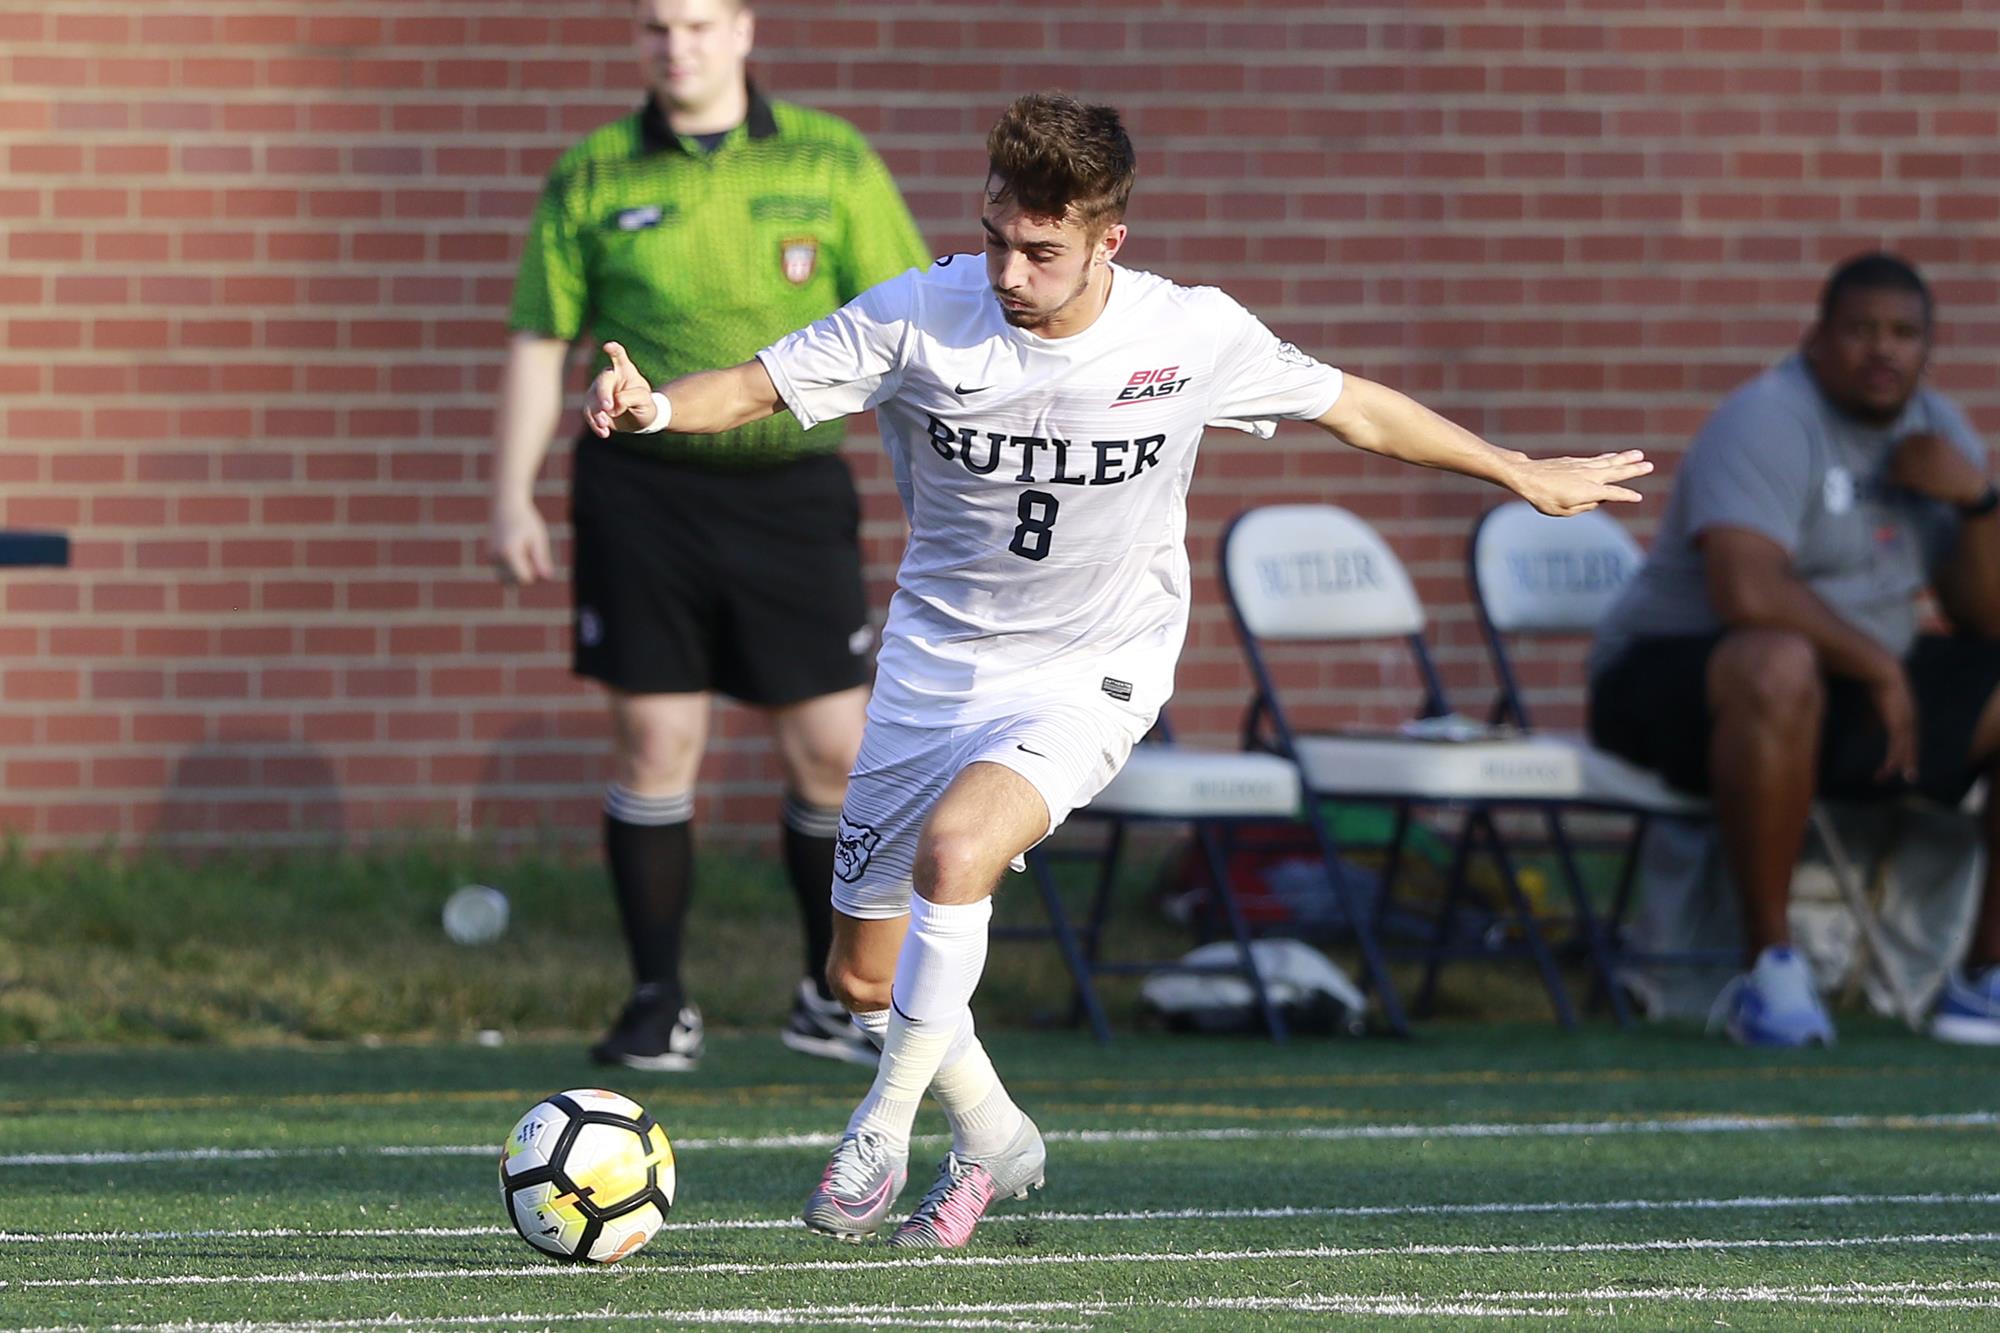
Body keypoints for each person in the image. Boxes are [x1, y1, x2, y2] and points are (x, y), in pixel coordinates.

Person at [582, 92, 1650, 1247]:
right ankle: (994, 1137)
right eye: (995, 238)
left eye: (1040, 251)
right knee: (860, 979)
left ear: (1109, 241)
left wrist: (1516, 470)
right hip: (935, 663)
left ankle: (877, 1130)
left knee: (957, 853)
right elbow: (753, 385)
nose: (1008, 271)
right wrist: (652, 409)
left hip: (1093, 666)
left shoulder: (1187, 333)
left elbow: (1354, 409)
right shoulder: (919, 314)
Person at [486, 0, 929, 1071]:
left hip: (792, 495)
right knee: (655, 744)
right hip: (642, 498)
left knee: (835, 751)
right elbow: (542, 343)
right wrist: (510, 494)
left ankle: (831, 994)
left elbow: (910, 321)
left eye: (696, 24)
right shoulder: (592, 174)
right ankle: (657, 1001)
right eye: (655, 27)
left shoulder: (831, 161)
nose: (674, 45)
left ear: (742, 30)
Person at [1590, 252, 2000, 1049]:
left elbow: (1983, 616)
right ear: (1816, 339)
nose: (1882, 349)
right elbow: (1746, 591)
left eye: (1903, 333)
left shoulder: (1939, 432)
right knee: (1777, 659)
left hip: (1844, 685)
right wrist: (1880, 665)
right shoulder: (1768, 419)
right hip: (1676, 679)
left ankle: (1984, 979)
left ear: (1928, 347)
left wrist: (1979, 503)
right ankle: (1767, 972)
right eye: (1860, 330)